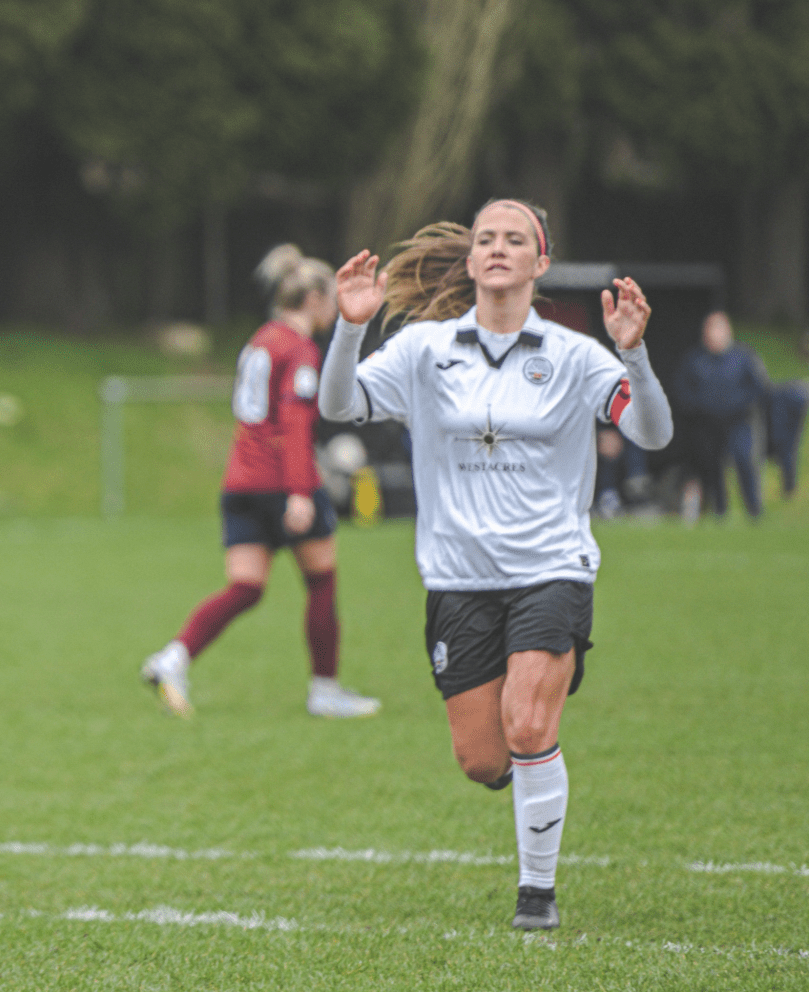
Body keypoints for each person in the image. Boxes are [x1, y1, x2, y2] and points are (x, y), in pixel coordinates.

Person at [317, 200, 673, 931]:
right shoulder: (425, 350)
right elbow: (340, 405)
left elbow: (651, 430)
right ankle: (533, 767)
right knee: (484, 758)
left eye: (517, 239)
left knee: (528, 723)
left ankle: (535, 899)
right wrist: (351, 326)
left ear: (541, 263)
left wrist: (634, 351)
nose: (499, 248)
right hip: (457, 579)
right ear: (472, 260)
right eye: (487, 239)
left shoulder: (575, 354)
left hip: (552, 566)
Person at [142, 245, 381, 720]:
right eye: (330, 298)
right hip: (281, 481)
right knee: (322, 581)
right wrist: (299, 491)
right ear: (312, 297)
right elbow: (294, 423)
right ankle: (325, 689)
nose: (334, 309)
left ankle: (173, 658)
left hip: (240, 482)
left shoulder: (261, 340)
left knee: (246, 587)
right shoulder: (299, 349)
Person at [675, 311, 770, 521]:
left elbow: (759, 388)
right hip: (707, 424)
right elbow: (683, 391)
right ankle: (720, 511)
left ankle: (754, 511)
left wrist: (742, 404)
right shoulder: (695, 360)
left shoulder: (744, 357)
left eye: (719, 329)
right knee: (713, 466)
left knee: (744, 461)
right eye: (710, 329)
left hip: (738, 422)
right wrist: (700, 408)